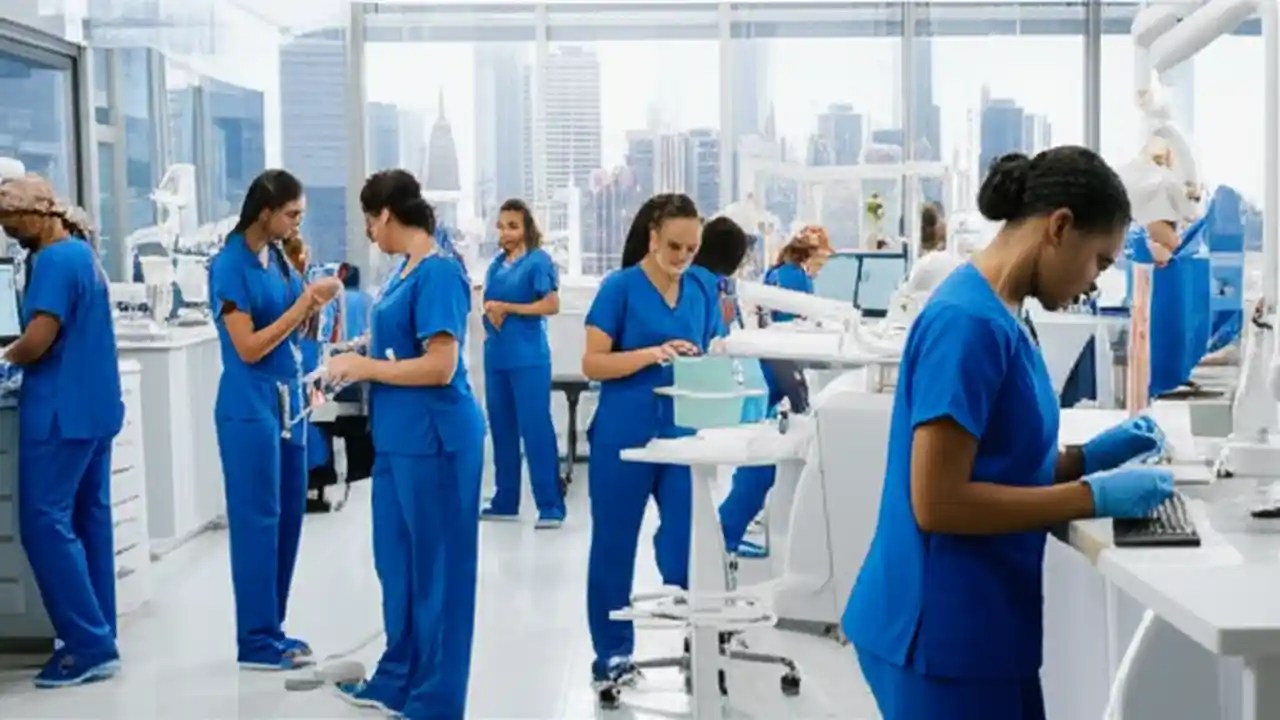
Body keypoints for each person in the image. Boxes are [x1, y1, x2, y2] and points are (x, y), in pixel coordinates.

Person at [842, 147, 1176, 720]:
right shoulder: (967, 324)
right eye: (1099, 261)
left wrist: (1088, 459)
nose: (1095, 282)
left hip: (984, 622)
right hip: (938, 630)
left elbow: (999, 461)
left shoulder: (1006, 312)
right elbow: (938, 502)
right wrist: (1091, 497)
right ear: (1059, 227)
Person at [325, 170, 485, 720]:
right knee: (397, 565)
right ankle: (398, 678)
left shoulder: (439, 271)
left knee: (438, 571)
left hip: (437, 439)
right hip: (398, 439)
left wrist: (364, 365)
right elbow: (405, 340)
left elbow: (441, 366)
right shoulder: (403, 272)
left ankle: (435, 699)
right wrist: (359, 350)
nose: (369, 232)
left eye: (370, 221)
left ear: (386, 214)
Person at [583, 193, 724, 690]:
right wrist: (651, 353)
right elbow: (593, 363)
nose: (683, 257)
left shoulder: (703, 289)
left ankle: (702, 638)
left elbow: (714, 350)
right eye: (674, 246)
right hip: (624, 432)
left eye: (692, 248)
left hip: (683, 433)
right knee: (614, 545)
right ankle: (612, 654)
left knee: (692, 540)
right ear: (652, 237)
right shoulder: (619, 289)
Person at [208, 169, 342, 671]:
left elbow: (295, 331)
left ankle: (273, 629)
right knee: (257, 520)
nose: (296, 223)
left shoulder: (280, 260)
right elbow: (248, 347)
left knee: (288, 516)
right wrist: (304, 304)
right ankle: (254, 639)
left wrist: (312, 305)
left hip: (289, 398)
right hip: (249, 405)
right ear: (264, 210)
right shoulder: (230, 266)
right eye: (291, 214)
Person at [0, 175, 124, 688]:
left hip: (60, 411)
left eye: (10, 224)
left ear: (33, 216)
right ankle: (101, 634)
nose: (8, 235)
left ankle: (86, 645)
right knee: (88, 520)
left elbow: (37, 341)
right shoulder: (79, 253)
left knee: (43, 522)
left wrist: (4, 356)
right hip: (94, 408)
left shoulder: (51, 261)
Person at [479, 198, 566, 528]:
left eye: (512, 225)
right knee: (501, 428)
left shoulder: (538, 262)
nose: (505, 232)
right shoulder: (495, 265)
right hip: (497, 356)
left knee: (535, 429)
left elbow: (552, 304)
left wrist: (509, 308)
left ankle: (550, 505)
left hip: (528, 358)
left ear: (527, 228)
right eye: (501, 226)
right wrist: (491, 309)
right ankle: (505, 499)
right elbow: (490, 300)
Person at [762, 230, 829, 323]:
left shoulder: (772, 273)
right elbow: (809, 310)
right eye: (818, 264)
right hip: (796, 330)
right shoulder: (803, 278)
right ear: (806, 258)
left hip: (773, 330)